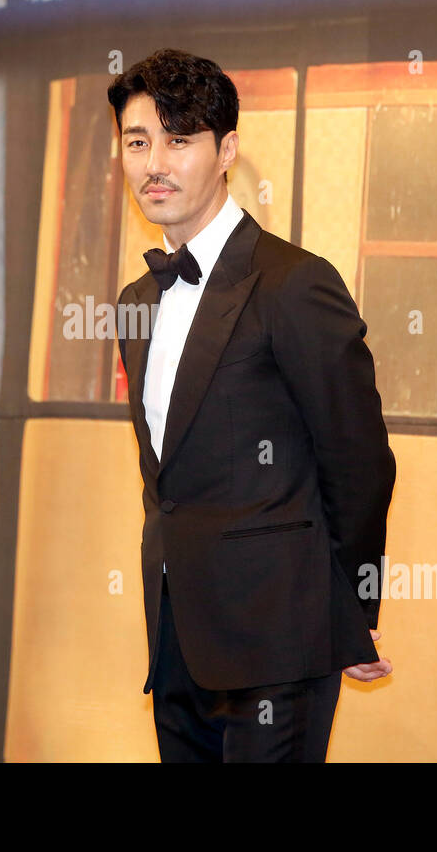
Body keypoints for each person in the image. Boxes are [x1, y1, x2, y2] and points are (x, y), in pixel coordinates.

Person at [111, 48, 396, 762]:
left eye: (180, 140)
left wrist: (349, 613)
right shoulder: (135, 305)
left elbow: (359, 461)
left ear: (226, 149)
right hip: (177, 638)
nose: (155, 163)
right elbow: (165, 481)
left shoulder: (294, 283)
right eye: (138, 141)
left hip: (280, 641)